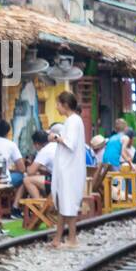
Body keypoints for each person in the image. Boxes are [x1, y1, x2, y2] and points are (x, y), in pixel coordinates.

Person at [49, 91, 87, 250]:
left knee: (68, 204)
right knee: (66, 204)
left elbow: (69, 143)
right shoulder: (73, 121)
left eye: (57, 104)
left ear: (65, 105)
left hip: (69, 169)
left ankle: (70, 238)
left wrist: (55, 137)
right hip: (67, 168)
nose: (56, 107)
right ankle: (60, 238)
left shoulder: (73, 121)